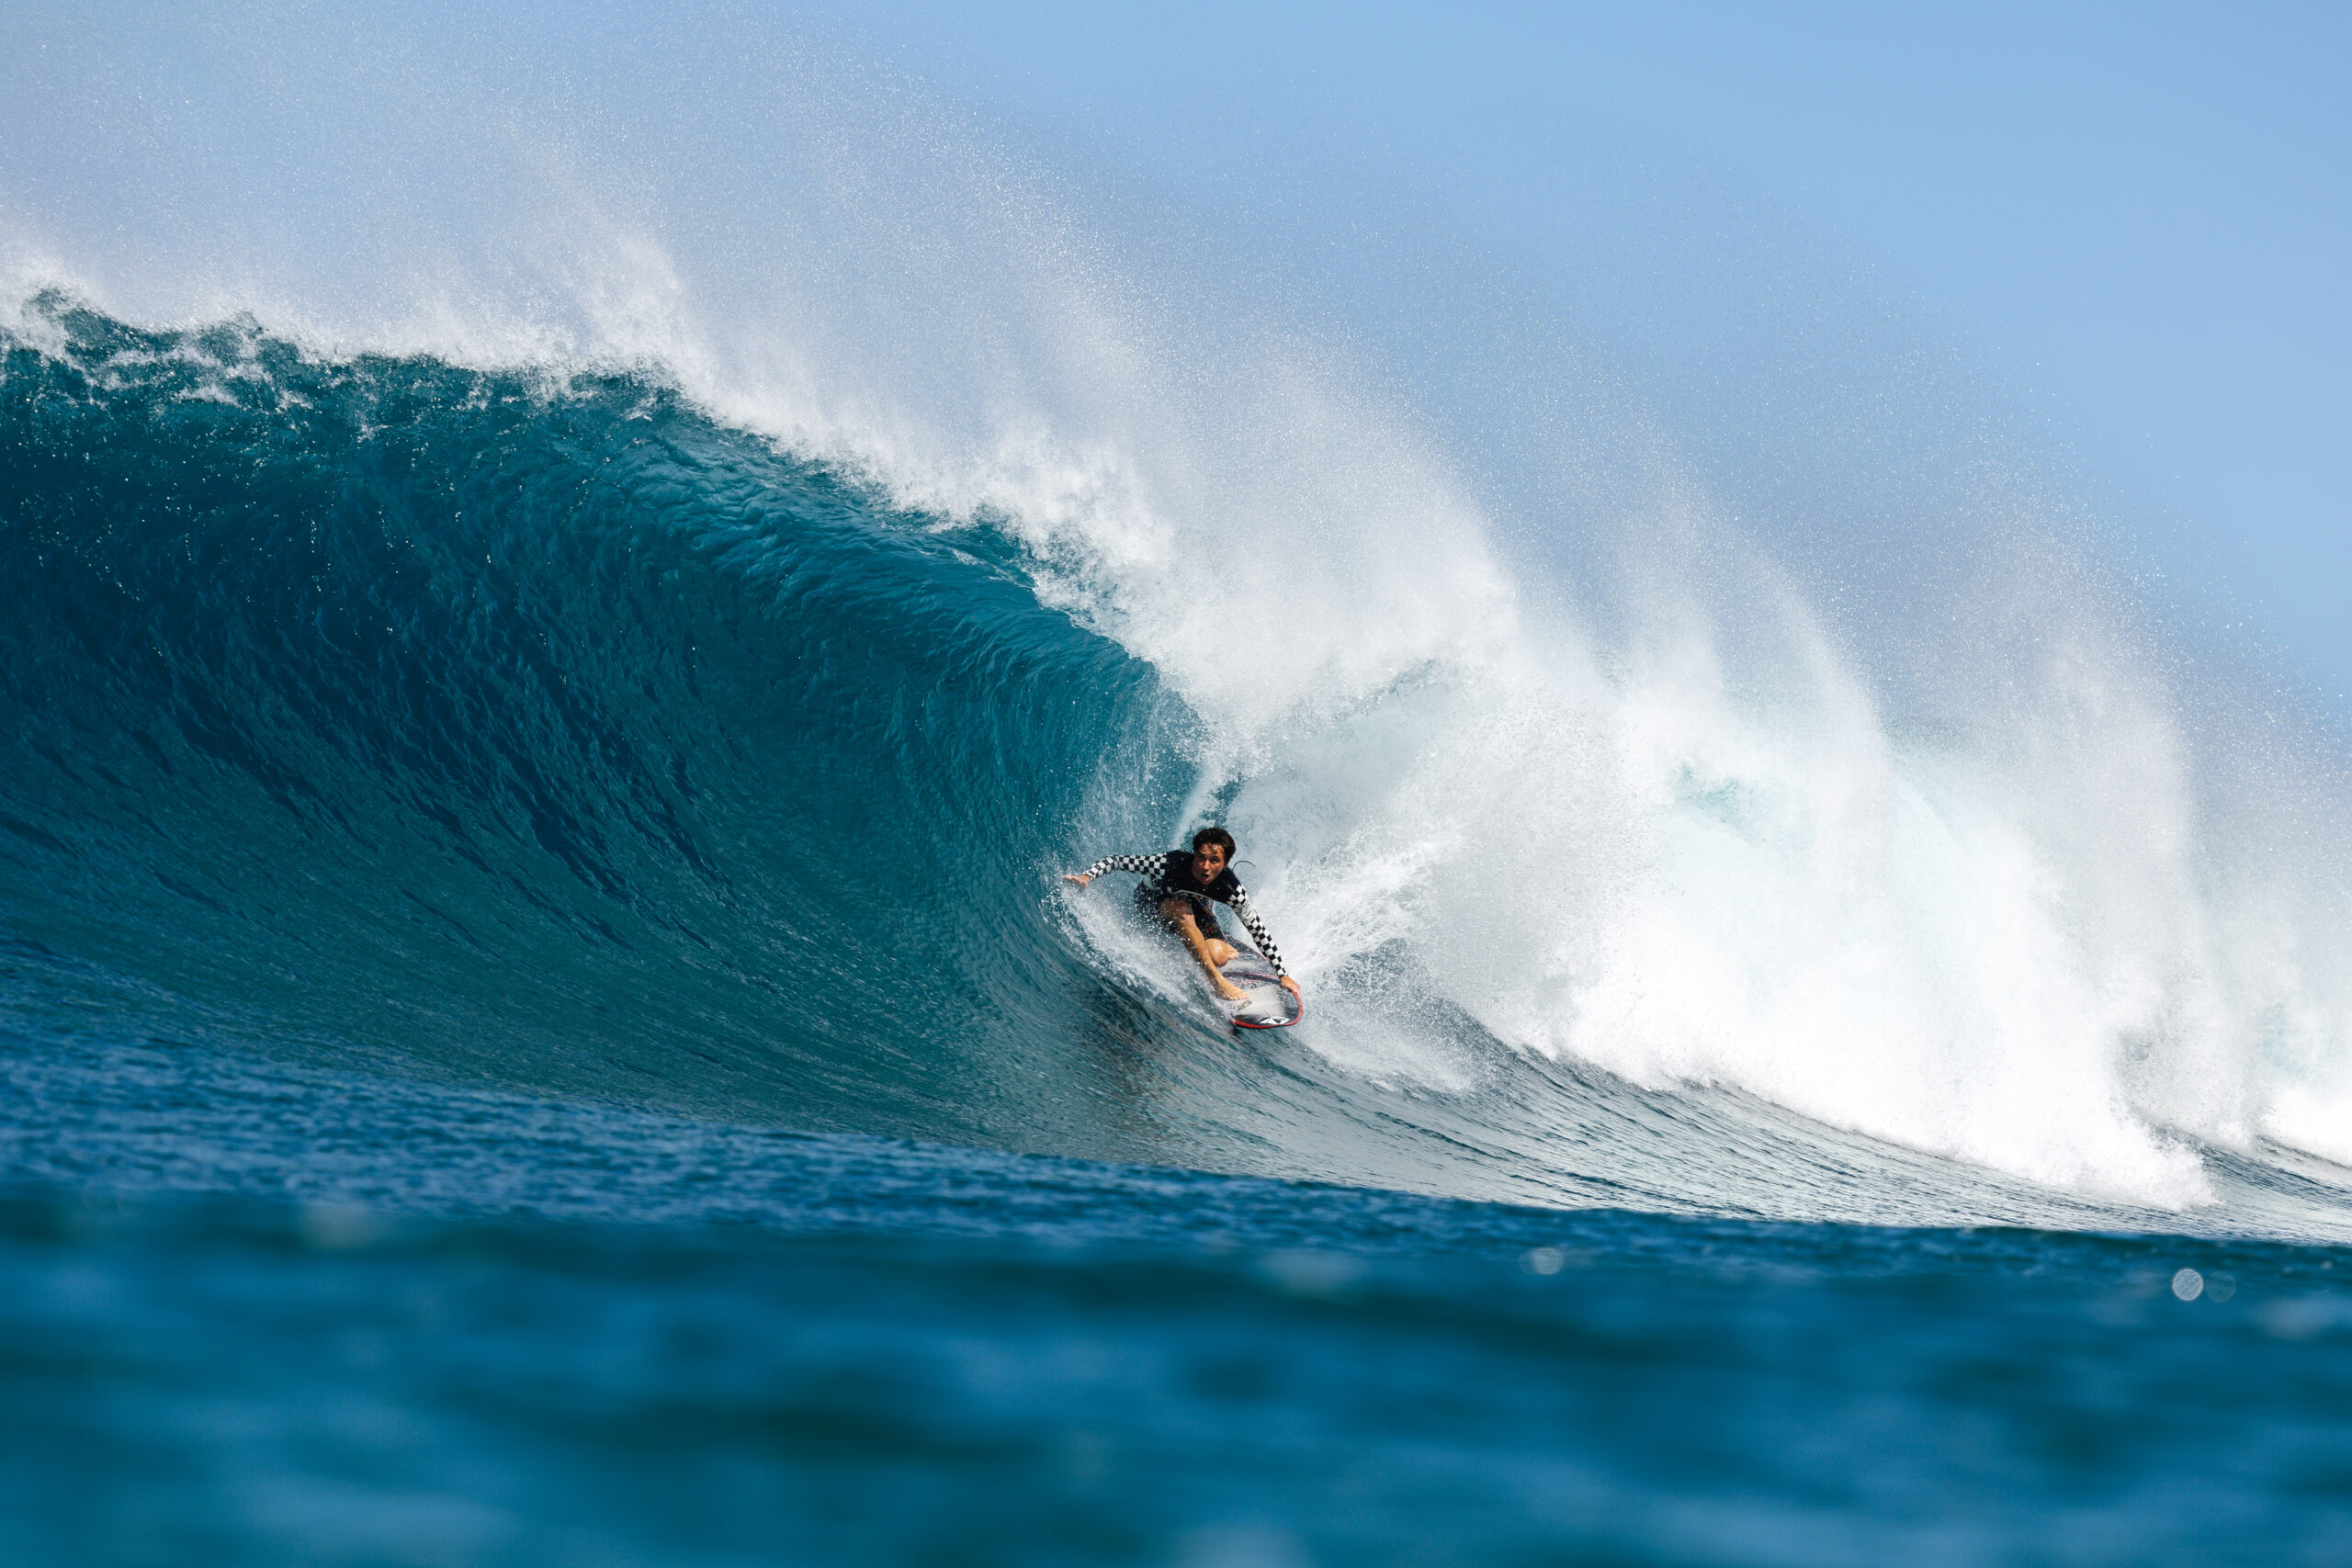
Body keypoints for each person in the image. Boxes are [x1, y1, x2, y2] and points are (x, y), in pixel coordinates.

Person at [1064, 828, 1301, 1007]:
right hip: (1154, 902)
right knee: (1181, 911)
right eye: (1200, 857)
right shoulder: (1168, 864)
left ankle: (1217, 946)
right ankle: (1216, 981)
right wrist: (1087, 877)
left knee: (1218, 957)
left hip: (1195, 904)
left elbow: (1257, 929)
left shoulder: (1230, 889)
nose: (1205, 867)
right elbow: (1117, 861)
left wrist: (1283, 974)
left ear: (1226, 863)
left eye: (1214, 861)